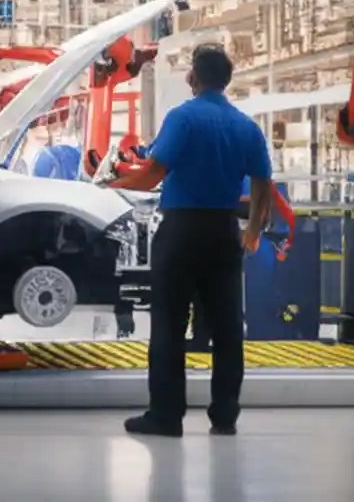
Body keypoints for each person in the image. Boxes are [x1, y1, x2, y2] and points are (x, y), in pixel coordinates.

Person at [108, 44, 273, 437]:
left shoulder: (182, 117)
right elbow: (263, 185)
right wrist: (251, 231)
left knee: (169, 323)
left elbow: (152, 174)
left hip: (181, 232)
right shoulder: (246, 127)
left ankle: (165, 416)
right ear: (226, 80)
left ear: (193, 77)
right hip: (223, 232)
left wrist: (111, 184)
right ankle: (225, 415)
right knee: (227, 327)